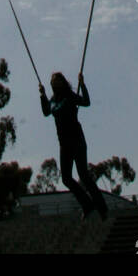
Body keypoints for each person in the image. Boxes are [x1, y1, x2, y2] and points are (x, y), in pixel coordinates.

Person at [39, 71, 108, 220]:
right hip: (64, 144)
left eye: (57, 80)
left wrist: (82, 84)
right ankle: (87, 205)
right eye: (52, 81)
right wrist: (42, 95)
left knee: (84, 175)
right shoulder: (52, 101)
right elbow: (46, 112)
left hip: (77, 140)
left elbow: (86, 102)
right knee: (66, 178)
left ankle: (102, 208)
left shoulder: (69, 95)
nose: (54, 83)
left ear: (63, 82)